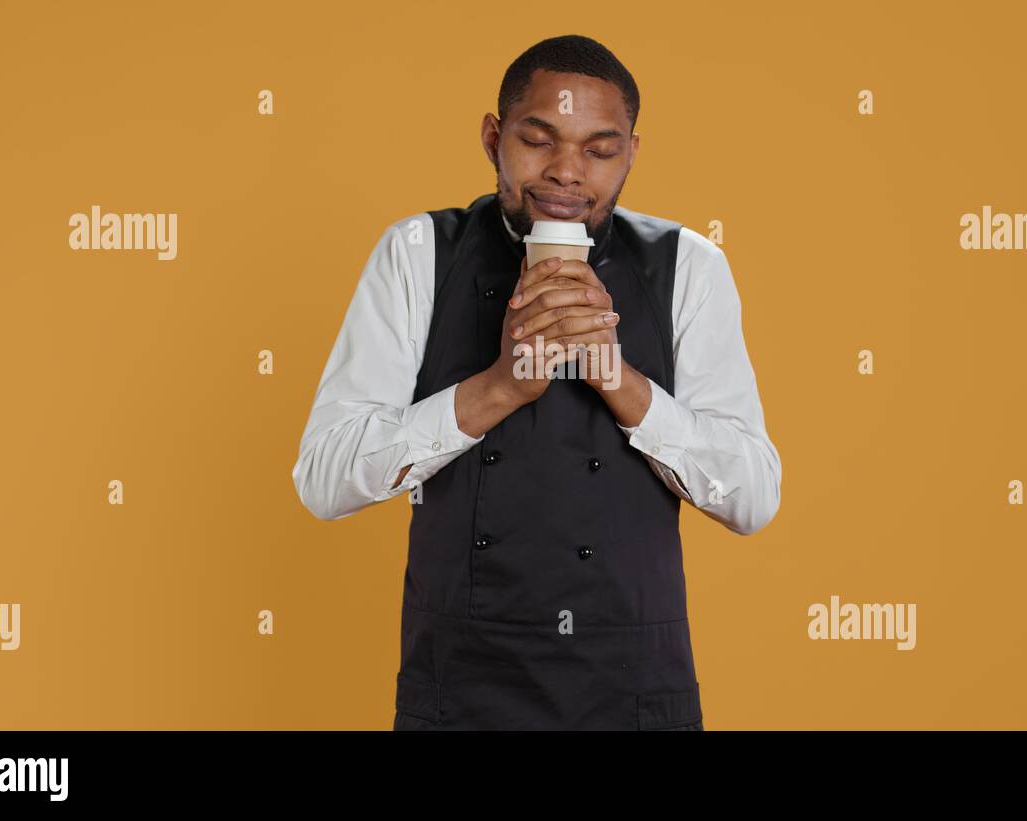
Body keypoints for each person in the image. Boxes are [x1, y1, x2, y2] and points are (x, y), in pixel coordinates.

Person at [291, 34, 782, 730]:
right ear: (494, 137)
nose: (565, 174)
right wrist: (498, 388)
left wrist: (618, 379)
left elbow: (753, 498)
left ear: (631, 153)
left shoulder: (688, 267)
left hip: (635, 692)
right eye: (538, 140)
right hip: (460, 689)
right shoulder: (417, 254)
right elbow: (323, 478)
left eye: (599, 150)